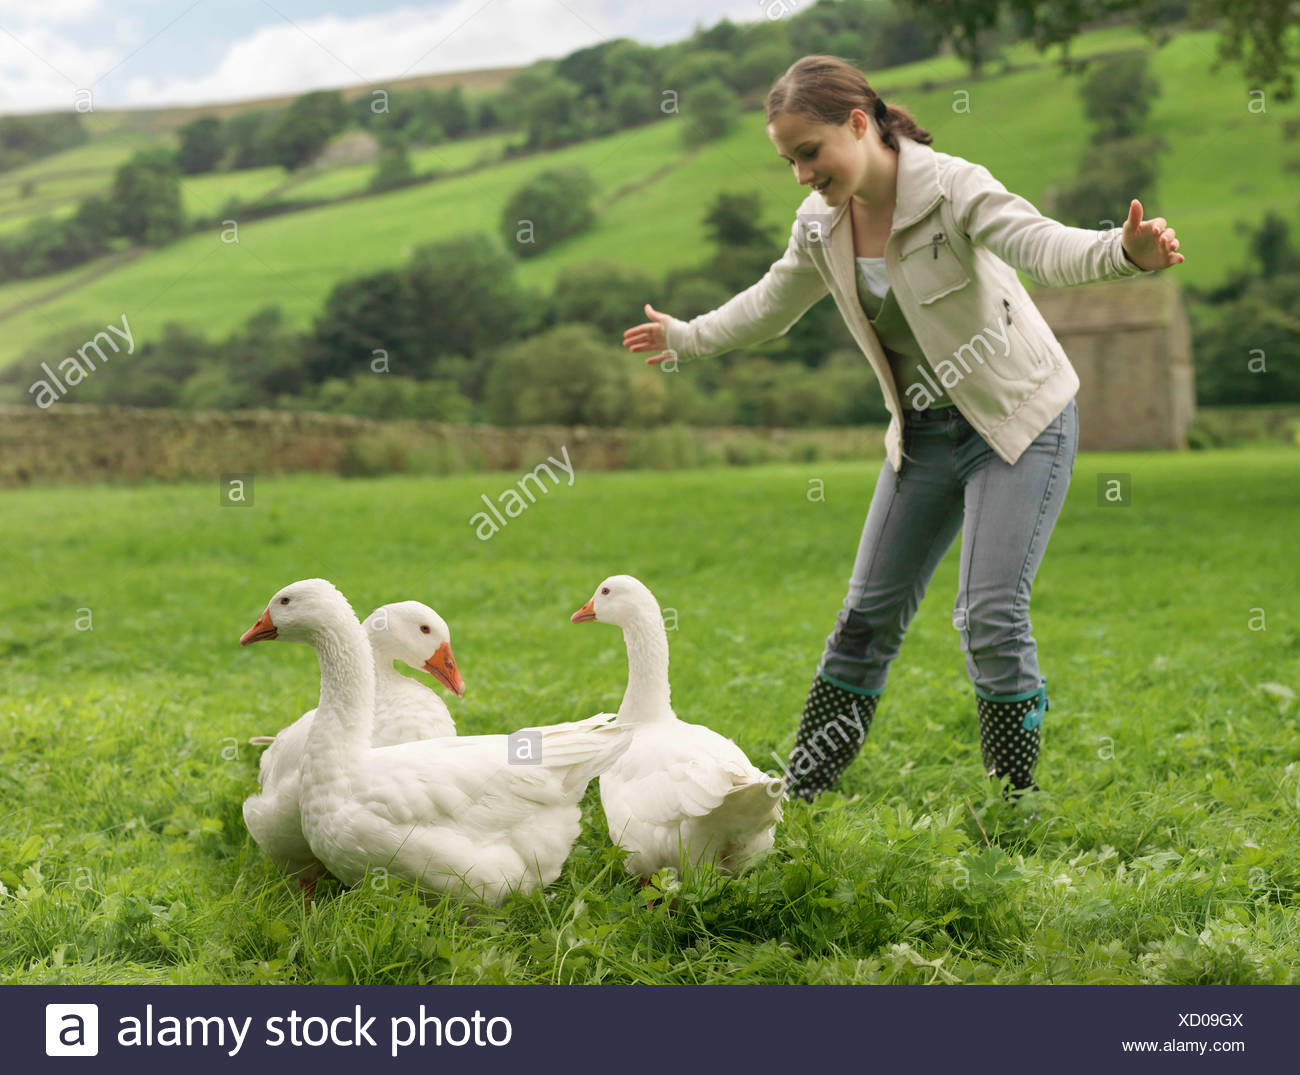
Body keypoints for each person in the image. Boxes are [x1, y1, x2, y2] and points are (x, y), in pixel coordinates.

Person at [621, 55, 1184, 802]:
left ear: (859, 124)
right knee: (863, 619)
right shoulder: (820, 226)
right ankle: (802, 795)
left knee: (988, 613)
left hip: (1017, 423)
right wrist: (686, 337)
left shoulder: (953, 187)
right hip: (921, 438)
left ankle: (1013, 796)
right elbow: (770, 303)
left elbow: (1039, 245)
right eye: (788, 160)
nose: (800, 173)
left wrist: (1122, 252)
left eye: (809, 152)